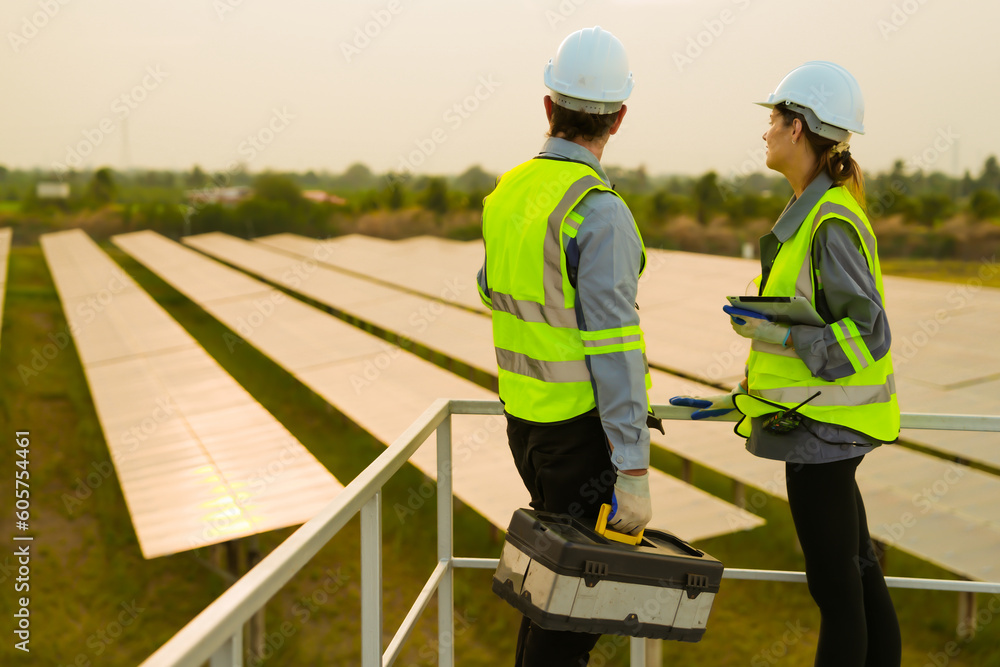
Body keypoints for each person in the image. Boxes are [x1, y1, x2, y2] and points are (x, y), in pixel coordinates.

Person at [670, 61, 901, 666]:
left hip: (822, 432)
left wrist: (785, 337)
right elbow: (816, 318)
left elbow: (869, 334)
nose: (765, 132)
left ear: (798, 128)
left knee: (837, 590)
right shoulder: (813, 212)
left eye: (773, 119)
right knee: (860, 575)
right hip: (814, 424)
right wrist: (744, 391)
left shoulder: (828, 222)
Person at [476, 26, 660, 667]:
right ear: (620, 117)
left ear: (548, 105)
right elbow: (615, 350)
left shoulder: (506, 194)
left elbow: (491, 287)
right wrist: (632, 468)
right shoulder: (598, 210)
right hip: (581, 436)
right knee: (574, 617)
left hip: (523, 424)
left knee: (550, 598)